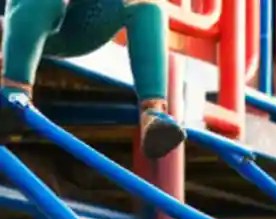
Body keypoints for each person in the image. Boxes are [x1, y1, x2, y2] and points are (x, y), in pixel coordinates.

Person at [0, 0, 186, 158]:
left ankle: (153, 112)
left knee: (148, 2)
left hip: (71, 23)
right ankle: (14, 91)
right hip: (14, 15)